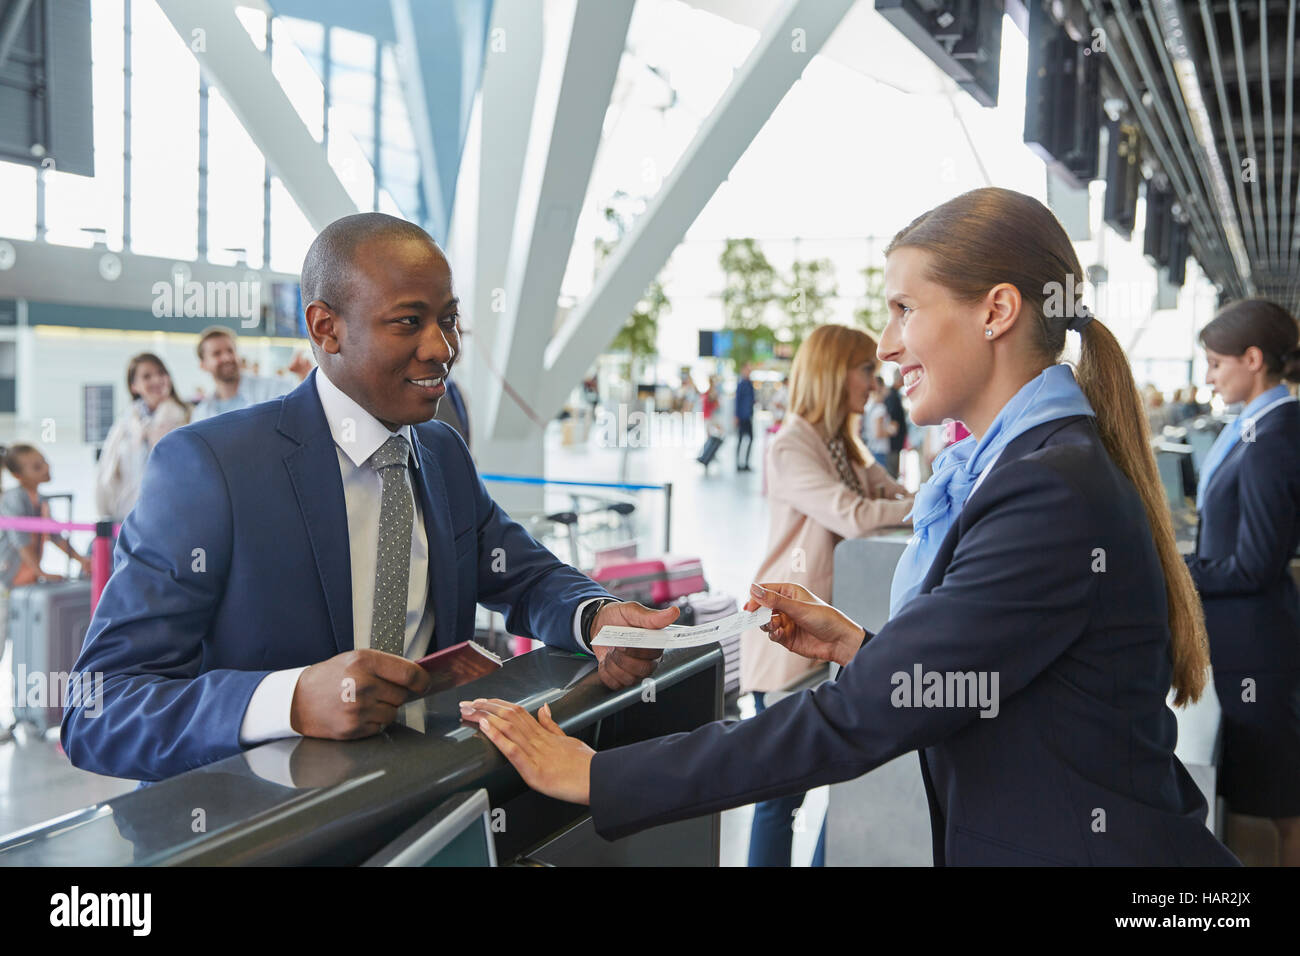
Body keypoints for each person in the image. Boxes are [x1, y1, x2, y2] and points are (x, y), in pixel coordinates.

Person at [462, 187, 1239, 866]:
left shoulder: (1047, 489)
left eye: (904, 308)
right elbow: (1003, 682)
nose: (888, 343)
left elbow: (857, 719)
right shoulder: (1040, 466)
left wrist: (597, 776)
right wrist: (859, 649)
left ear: (997, 311)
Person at [63, 212, 677, 782]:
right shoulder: (211, 468)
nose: (442, 347)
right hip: (275, 830)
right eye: (409, 321)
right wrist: (291, 699)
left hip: (425, 803)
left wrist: (596, 616)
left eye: (448, 318)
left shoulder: (440, 454)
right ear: (325, 328)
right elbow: (100, 709)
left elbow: (526, 577)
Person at [742, 323, 911, 866]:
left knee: (845, 785)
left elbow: (892, 496)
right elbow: (857, 516)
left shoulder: (848, 446)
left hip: (830, 636)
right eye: (866, 369)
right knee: (779, 796)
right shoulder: (793, 445)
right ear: (834, 372)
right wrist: (933, 500)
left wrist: (921, 498)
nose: (875, 381)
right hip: (787, 637)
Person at [1185, 298, 1300, 865]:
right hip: (1244, 637)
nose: (1209, 376)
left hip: (1258, 645)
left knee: (1280, 801)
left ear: (1252, 359)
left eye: (1215, 362)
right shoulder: (1257, 426)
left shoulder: (1274, 436)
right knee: (1268, 794)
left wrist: (1180, 569)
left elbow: (1255, 564)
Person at [95, 353, 190, 522]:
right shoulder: (123, 426)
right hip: (127, 518)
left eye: (161, 373)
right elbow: (107, 473)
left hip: (173, 517)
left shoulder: (187, 417)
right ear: (134, 386)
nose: (156, 380)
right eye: (147, 376)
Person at [0, 444, 93, 588]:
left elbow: (54, 535)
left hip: (28, 577)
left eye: (44, 461)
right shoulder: (14, 498)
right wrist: (40, 572)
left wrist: (82, 560)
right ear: (17, 475)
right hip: (10, 576)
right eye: (37, 467)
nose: (45, 468)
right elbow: (20, 539)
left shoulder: (42, 500)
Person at [189, 327, 311, 422]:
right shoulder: (201, 414)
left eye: (230, 350)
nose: (227, 357)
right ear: (203, 365)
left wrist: (303, 377)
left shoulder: (270, 387)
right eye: (217, 354)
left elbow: (300, 404)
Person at [861, 375, 895, 468]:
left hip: (871, 448)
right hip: (879, 450)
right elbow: (878, 433)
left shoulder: (869, 405)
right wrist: (891, 431)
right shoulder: (880, 409)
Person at [883, 371, 908, 477]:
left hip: (897, 441)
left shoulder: (896, 394)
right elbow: (893, 418)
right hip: (893, 442)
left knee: (894, 470)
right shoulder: (892, 395)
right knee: (892, 472)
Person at [735, 363, 756, 471]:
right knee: (740, 440)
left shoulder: (750, 384)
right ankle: (738, 464)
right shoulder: (741, 384)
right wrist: (736, 416)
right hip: (742, 416)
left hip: (748, 416)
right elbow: (737, 401)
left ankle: (746, 463)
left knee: (751, 439)